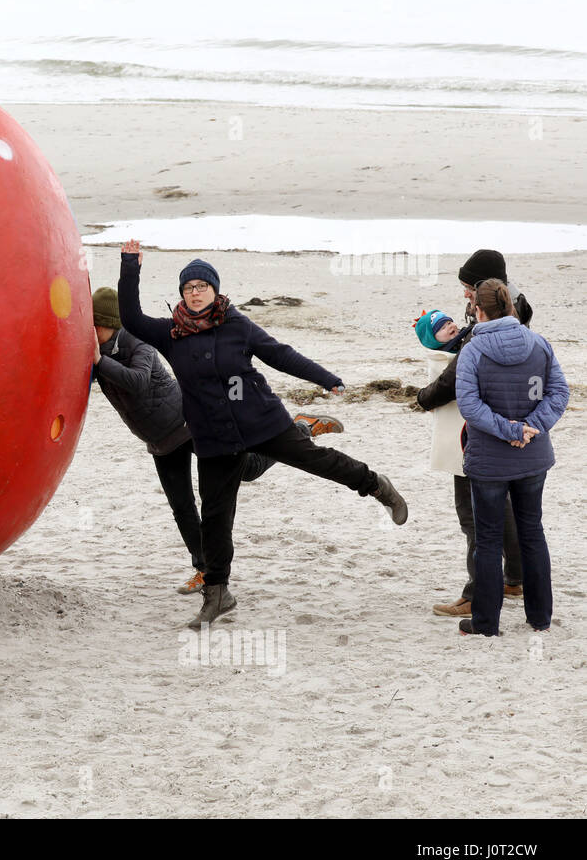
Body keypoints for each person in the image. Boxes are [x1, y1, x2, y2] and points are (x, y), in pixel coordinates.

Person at [117, 240, 408, 629]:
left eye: (202, 286)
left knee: (317, 461)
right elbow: (131, 318)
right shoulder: (171, 333)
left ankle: (375, 485)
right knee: (216, 516)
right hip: (212, 436)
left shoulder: (237, 324)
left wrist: (325, 378)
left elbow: (280, 353)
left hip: (261, 419)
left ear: (215, 290)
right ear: (182, 295)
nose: (196, 292)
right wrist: (129, 266)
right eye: (188, 288)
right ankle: (218, 594)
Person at [91, 287, 345, 595]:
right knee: (181, 506)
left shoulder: (138, 343)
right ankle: (204, 570)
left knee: (248, 469)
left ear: (112, 323)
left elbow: (138, 380)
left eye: (95, 323)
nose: (90, 330)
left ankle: (301, 428)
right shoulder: (97, 353)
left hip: (187, 423)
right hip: (158, 439)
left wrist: (98, 361)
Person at [416, 253, 537, 617]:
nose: (466, 295)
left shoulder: (484, 330)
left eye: (469, 288)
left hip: (477, 435)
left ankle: (475, 594)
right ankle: (515, 578)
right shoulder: (517, 316)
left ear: (484, 290)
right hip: (514, 427)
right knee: (506, 509)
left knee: (473, 517)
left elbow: (454, 382)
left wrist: (424, 396)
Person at [454, 279, 567, 636]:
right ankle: (540, 618)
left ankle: (486, 623)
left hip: (490, 460)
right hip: (532, 457)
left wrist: (518, 429)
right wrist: (528, 428)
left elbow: (469, 406)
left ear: (479, 309)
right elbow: (558, 393)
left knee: (488, 540)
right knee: (532, 532)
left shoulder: (473, 350)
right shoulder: (539, 342)